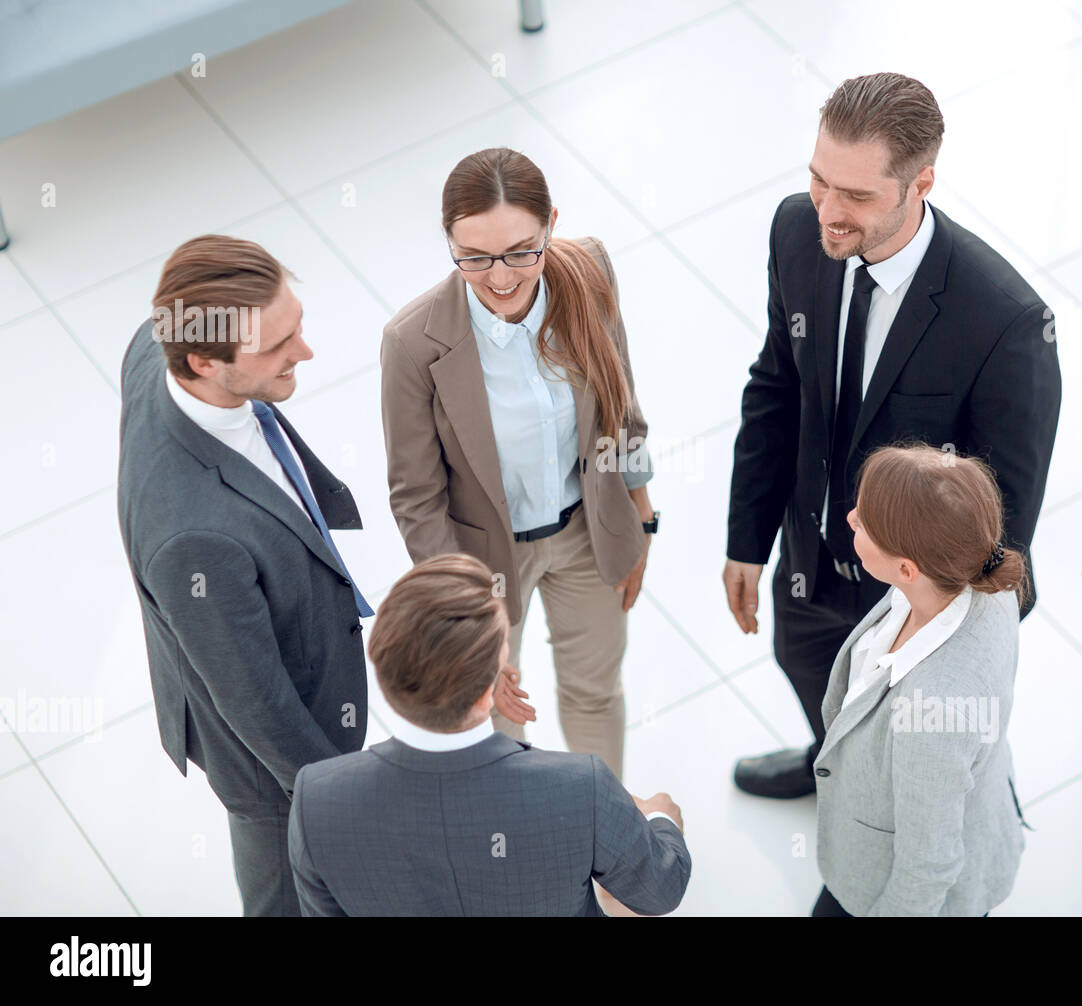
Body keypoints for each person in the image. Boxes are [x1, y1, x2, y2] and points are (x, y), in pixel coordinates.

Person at [724, 73, 1061, 798]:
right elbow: (777, 388)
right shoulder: (796, 230)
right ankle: (833, 766)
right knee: (813, 682)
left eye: (857, 196)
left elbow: (1004, 529)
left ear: (920, 184)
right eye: (820, 182)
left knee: (915, 782)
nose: (829, 213)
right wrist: (747, 539)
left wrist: (949, 649)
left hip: (913, 607)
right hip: (809, 564)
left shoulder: (1005, 324)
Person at [380, 147, 659, 782]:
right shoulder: (412, 341)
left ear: (552, 223)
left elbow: (623, 406)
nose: (501, 277)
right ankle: (524, 848)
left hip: (589, 535)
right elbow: (417, 498)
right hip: (484, 563)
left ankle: (603, 834)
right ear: (449, 240)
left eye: (521, 252)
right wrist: (461, 616)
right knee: (499, 713)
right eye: (474, 257)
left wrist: (641, 516)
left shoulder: (587, 273)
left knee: (595, 693)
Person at [117, 235, 372, 916]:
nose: (306, 353)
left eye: (298, 327)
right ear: (204, 362)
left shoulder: (153, 346)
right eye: (279, 346)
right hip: (273, 766)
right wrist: (340, 800)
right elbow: (257, 705)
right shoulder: (196, 541)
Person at [287, 553, 690, 917]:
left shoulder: (316, 802)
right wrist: (659, 817)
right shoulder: (583, 787)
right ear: (489, 691)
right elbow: (660, 891)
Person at [812, 444, 1028, 916]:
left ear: (907, 569)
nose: (849, 518)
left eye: (865, 522)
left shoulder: (932, 716)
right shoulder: (978, 576)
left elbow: (928, 866)